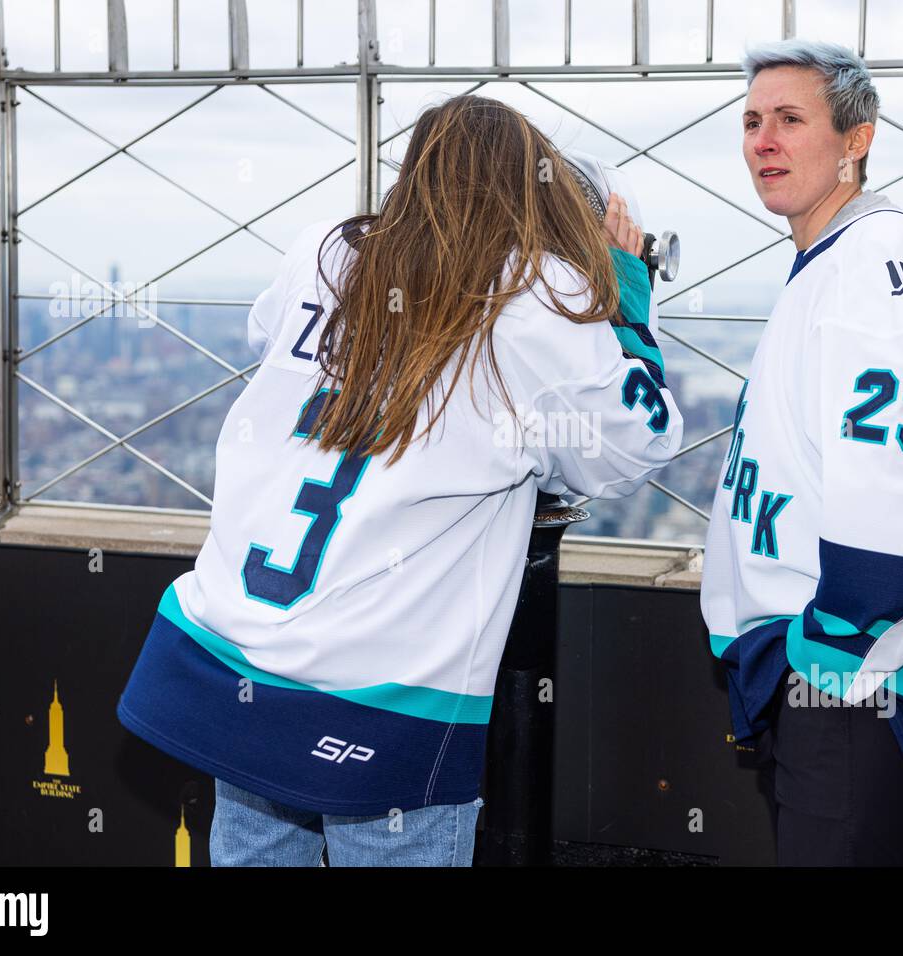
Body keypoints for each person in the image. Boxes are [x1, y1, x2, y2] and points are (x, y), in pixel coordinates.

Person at [116, 94, 683, 866]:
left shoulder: (327, 248)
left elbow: (265, 336)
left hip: (237, 661)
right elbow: (637, 444)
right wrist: (624, 296)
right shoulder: (537, 296)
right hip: (380, 698)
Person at [699, 39, 903, 865]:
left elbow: (895, 488)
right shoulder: (832, 260)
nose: (764, 141)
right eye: (752, 122)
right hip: (830, 675)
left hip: (854, 682)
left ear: (856, 139)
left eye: (790, 120)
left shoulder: (878, 262)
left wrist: (825, 659)